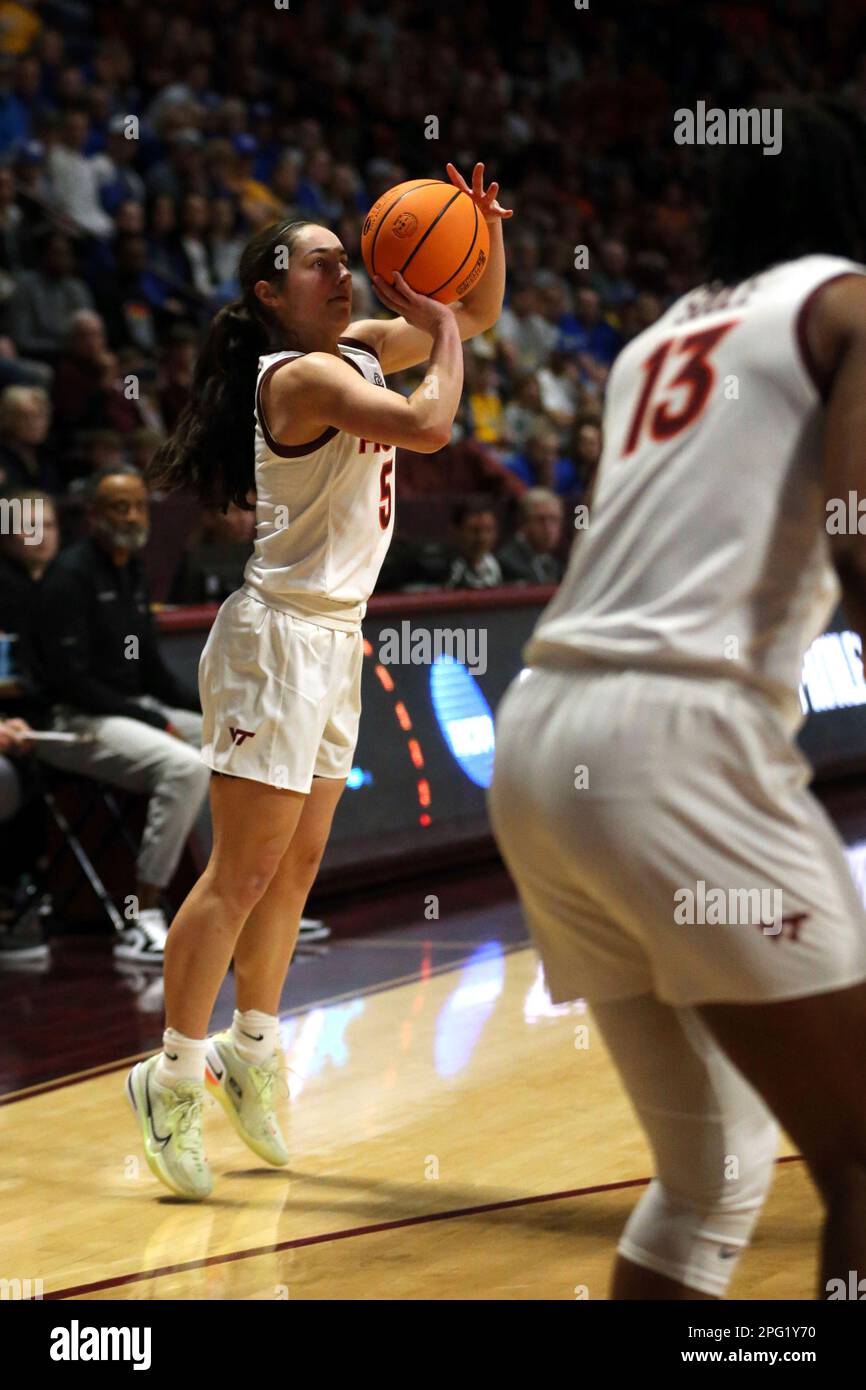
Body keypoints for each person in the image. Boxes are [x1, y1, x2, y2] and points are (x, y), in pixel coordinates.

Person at [488, 96, 866, 1301]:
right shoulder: (849, 304)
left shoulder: (654, 339)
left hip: (544, 735)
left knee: (708, 1179)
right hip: (676, 738)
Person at [127, 162, 511, 1200]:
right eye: (322, 263)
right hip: (272, 639)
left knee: (296, 871)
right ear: (268, 291)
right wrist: (432, 322)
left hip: (335, 642)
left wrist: (479, 233)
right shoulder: (292, 378)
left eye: (350, 260)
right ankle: (167, 1071)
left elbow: (471, 314)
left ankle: (253, 1044)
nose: (345, 274)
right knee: (240, 874)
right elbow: (432, 420)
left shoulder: (348, 349)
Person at [33, 465, 210, 964]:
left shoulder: (132, 570)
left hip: (131, 711)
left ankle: (232, 900)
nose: (132, 516)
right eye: (119, 506)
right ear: (92, 515)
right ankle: (142, 917)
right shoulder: (68, 578)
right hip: (72, 720)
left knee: (241, 745)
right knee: (185, 766)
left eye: (138, 505)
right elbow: (72, 683)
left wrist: (215, 710)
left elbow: (152, 674)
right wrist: (157, 721)